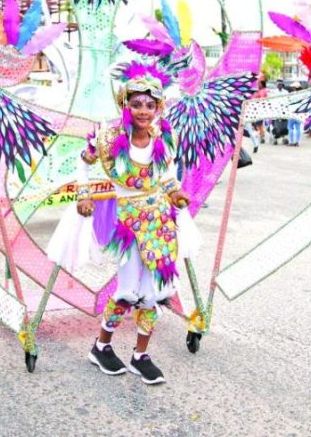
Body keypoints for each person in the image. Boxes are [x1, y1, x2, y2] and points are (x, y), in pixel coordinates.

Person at [46, 60, 200, 385]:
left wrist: (175, 192)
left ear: (159, 107)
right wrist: (83, 194)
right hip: (129, 222)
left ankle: (140, 355)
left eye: (149, 104)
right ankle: (101, 347)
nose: (143, 110)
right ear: (125, 105)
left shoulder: (163, 134)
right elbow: (82, 162)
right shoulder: (106, 136)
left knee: (155, 292)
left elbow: (167, 174)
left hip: (160, 223)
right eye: (136, 103)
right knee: (128, 291)